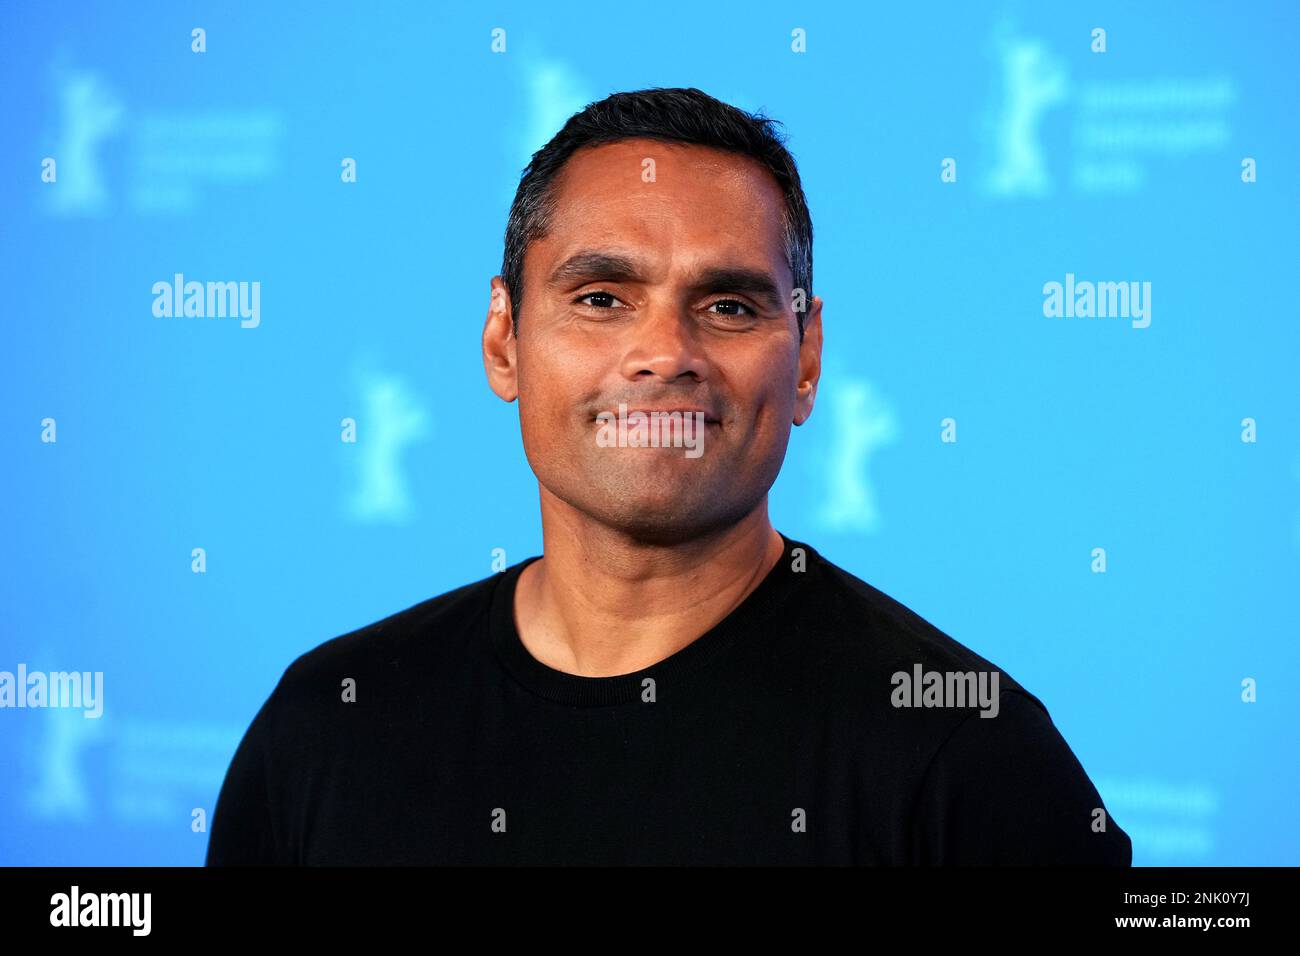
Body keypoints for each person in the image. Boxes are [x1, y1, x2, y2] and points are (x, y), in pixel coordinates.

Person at [206, 87, 1131, 865]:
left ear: (805, 360)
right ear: (504, 339)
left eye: (729, 305)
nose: (664, 353)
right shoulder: (330, 723)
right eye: (601, 298)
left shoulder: (967, 758)